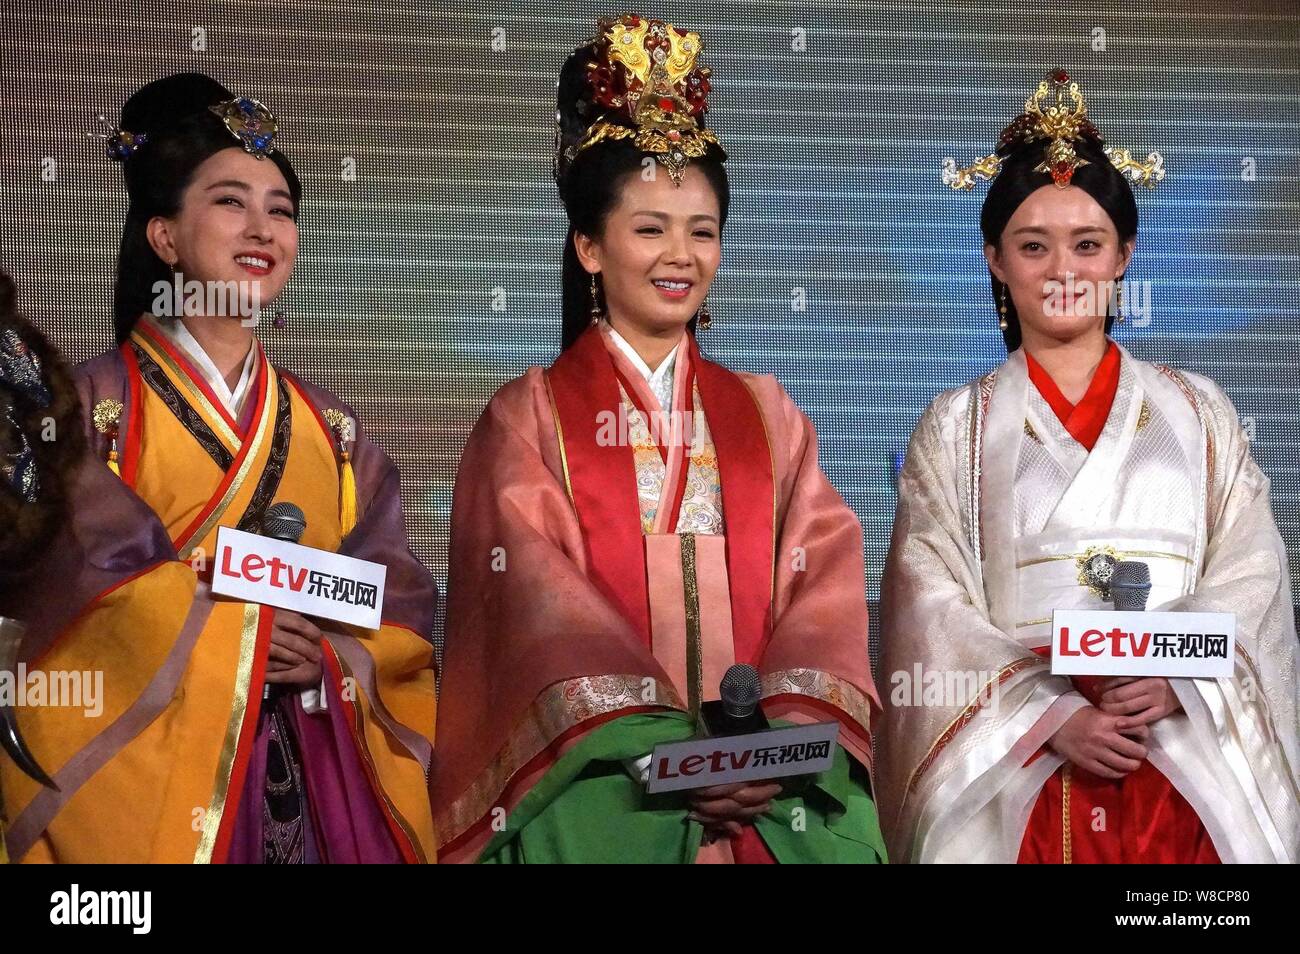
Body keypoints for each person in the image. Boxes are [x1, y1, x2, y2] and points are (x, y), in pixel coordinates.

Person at [431, 14, 885, 864]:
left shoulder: (766, 412)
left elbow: (820, 582)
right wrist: (662, 752)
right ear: (589, 247)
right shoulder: (525, 418)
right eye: (650, 228)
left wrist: (769, 744)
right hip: (608, 781)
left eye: (701, 230)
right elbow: (535, 614)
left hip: (768, 778)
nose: (680, 254)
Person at [0, 74, 438, 863]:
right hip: (149, 786)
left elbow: (396, 597)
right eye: (231, 202)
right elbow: (61, 594)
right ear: (163, 236)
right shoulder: (89, 409)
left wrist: (334, 658)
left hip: (303, 763)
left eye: (282, 210)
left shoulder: (331, 432)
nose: (262, 227)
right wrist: (234, 630)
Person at [878, 70, 1299, 863]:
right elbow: (930, 603)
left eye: (1088, 244)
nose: (1062, 269)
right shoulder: (956, 426)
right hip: (1021, 759)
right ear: (996, 261)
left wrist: (1180, 676)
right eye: (1033, 246)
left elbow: (1254, 572)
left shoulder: (1199, 413)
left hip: (1183, 743)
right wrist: (1051, 715)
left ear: (1124, 255)